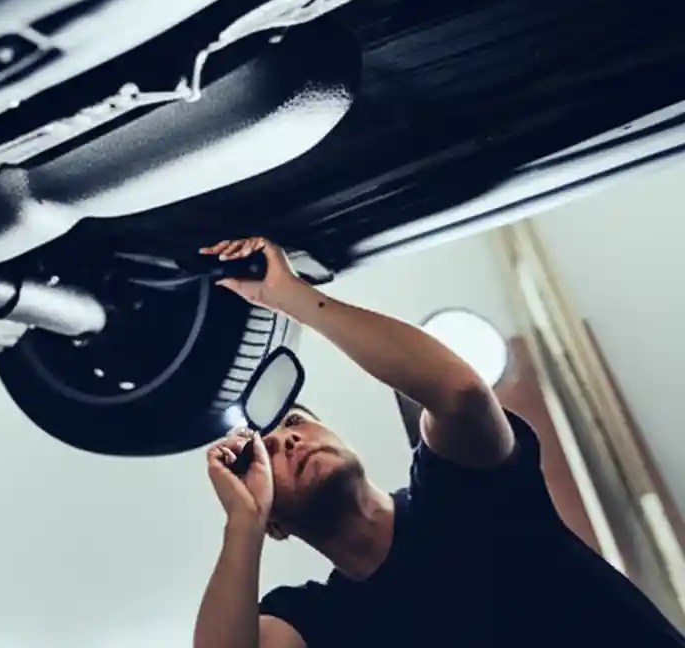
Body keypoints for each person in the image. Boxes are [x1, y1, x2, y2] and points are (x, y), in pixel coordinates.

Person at [192, 236, 685, 648]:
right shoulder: (317, 621)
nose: (289, 439)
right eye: (267, 452)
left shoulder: (457, 495)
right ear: (274, 523)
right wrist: (244, 522)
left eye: (295, 421)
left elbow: (461, 394)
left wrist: (290, 297)